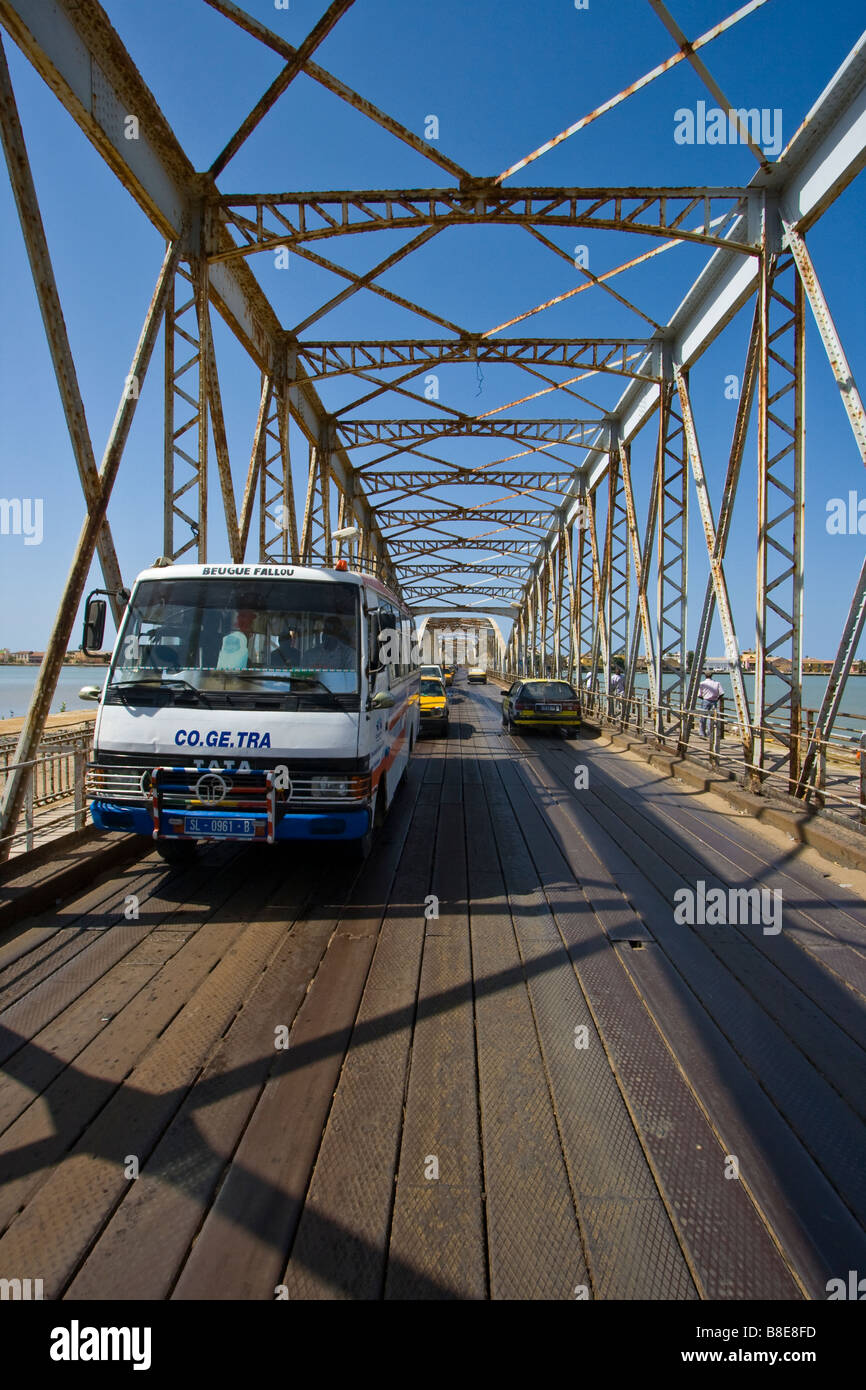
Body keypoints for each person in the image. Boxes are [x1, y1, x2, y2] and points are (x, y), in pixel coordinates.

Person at [698, 669, 724, 737]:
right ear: (712, 675)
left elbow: (699, 695)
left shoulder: (702, 683)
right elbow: (722, 693)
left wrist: (704, 698)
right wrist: (717, 699)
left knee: (703, 717)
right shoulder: (717, 683)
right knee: (711, 718)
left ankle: (702, 733)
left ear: (705, 675)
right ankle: (710, 734)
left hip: (705, 700)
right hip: (714, 701)